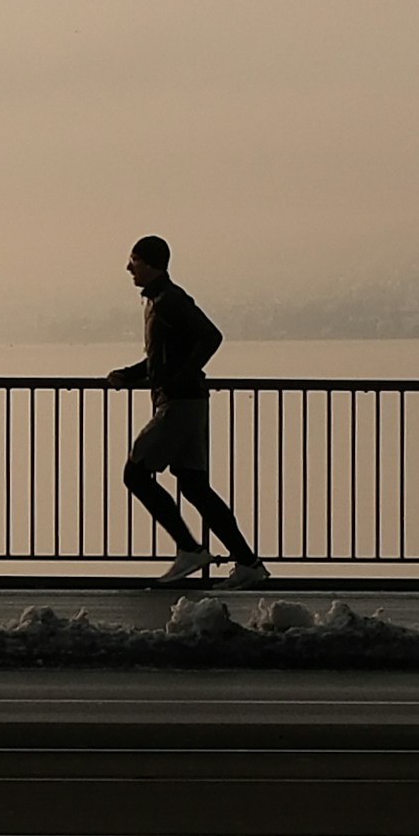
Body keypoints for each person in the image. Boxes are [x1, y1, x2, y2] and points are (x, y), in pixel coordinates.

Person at [114, 234, 268, 585]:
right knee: (194, 485)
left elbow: (211, 336)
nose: (128, 267)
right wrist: (130, 374)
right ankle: (248, 564)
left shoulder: (170, 300)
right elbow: (161, 359)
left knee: (135, 474)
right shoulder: (158, 300)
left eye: (134, 260)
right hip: (187, 401)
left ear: (150, 264)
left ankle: (189, 549)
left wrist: (179, 377)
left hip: (180, 404)